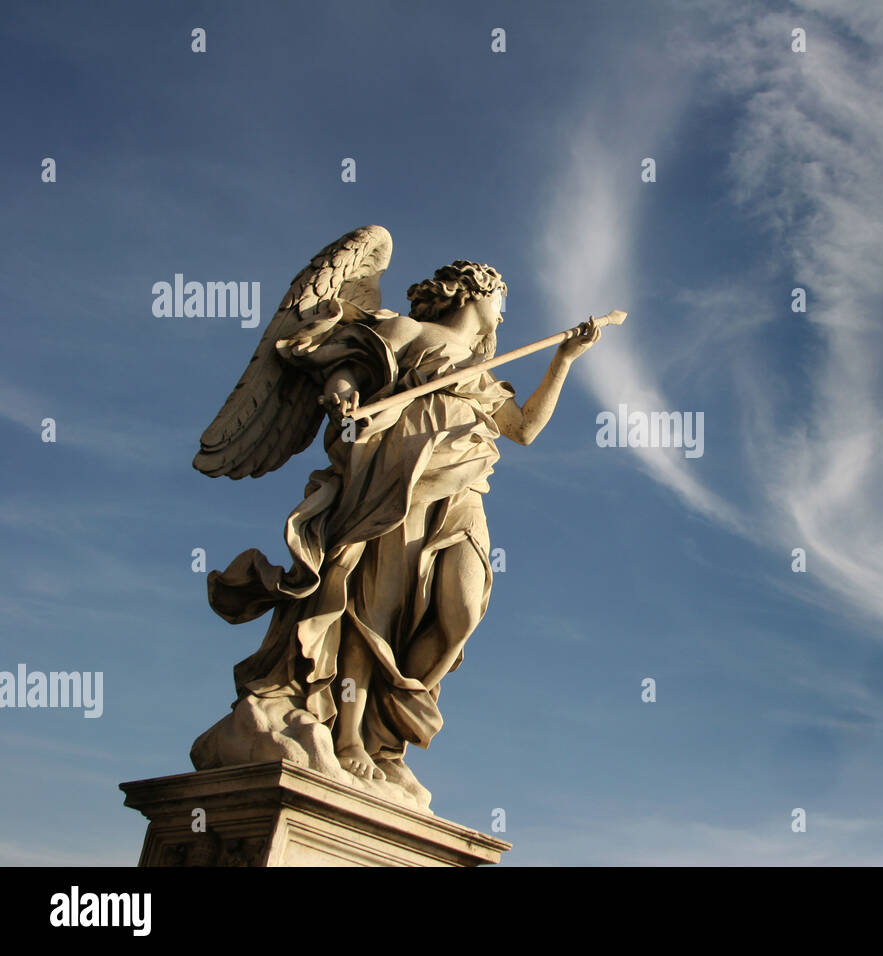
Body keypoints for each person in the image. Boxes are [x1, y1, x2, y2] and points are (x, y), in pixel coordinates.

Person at [205, 259, 601, 789]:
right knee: (376, 605)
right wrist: (342, 392)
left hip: (458, 491)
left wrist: (565, 360)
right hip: (397, 478)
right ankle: (351, 737)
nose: (502, 317)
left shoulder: (484, 375)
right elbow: (344, 363)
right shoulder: (408, 330)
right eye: (500, 301)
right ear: (472, 294)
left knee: (460, 613)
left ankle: (388, 726)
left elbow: (524, 428)